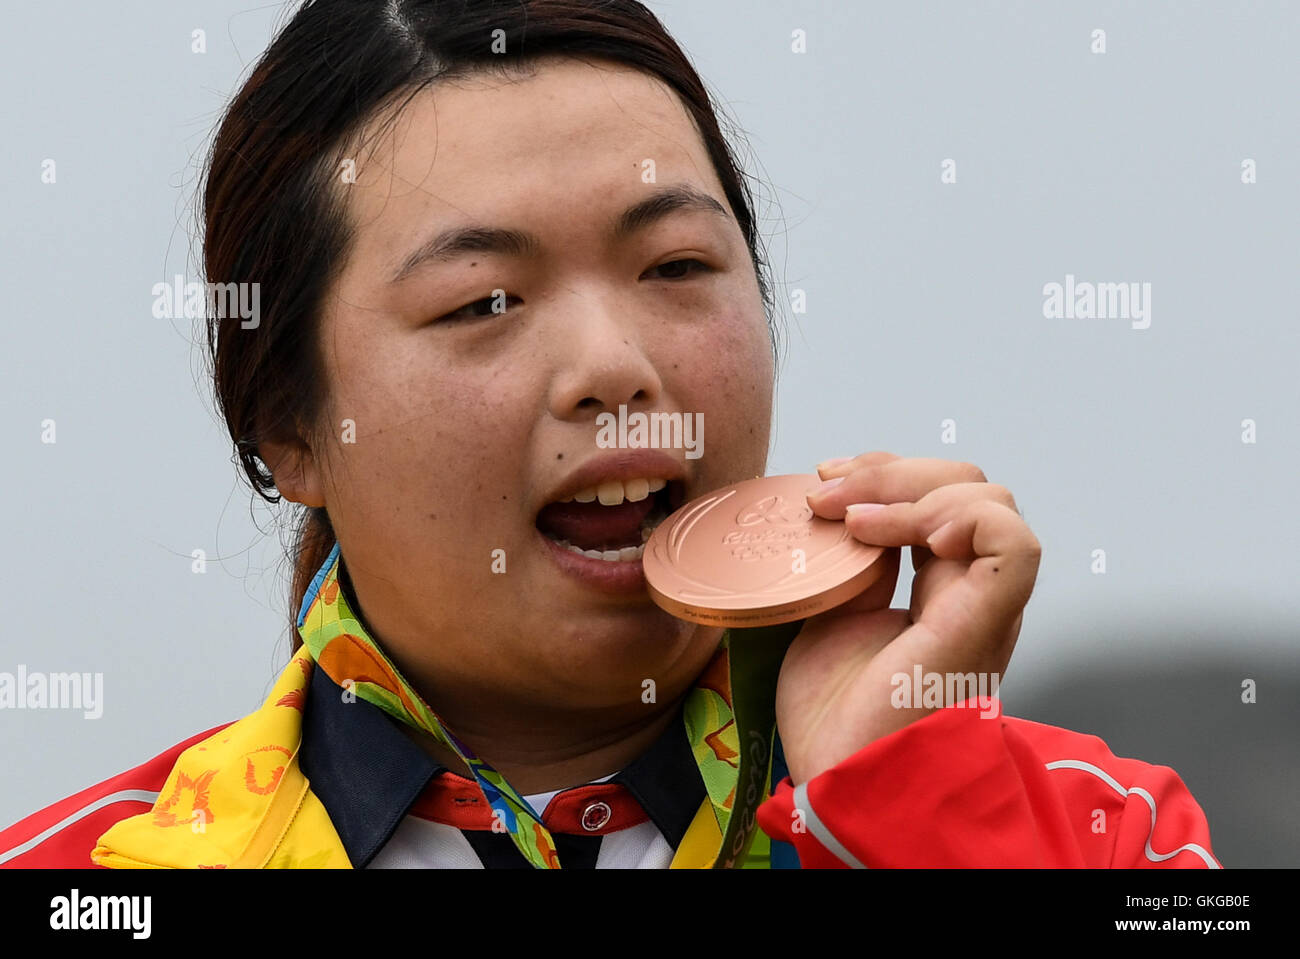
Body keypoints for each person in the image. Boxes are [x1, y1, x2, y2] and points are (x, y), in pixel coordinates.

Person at [1, 0, 1218, 869]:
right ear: (289, 425)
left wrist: (913, 805)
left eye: (676, 264)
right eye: (484, 298)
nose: (615, 366)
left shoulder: (1107, 837)